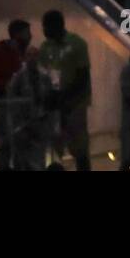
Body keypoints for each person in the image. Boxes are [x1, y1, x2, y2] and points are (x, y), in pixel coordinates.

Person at [38, 10, 92, 171]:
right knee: (55, 145)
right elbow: (44, 74)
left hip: (75, 103)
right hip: (54, 104)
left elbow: (83, 76)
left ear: (57, 25)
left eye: (46, 27)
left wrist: (67, 97)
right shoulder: (45, 47)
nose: (44, 31)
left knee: (79, 146)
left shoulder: (77, 43)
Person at [0, 19, 32, 171]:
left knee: (16, 143)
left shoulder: (21, 54)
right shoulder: (5, 54)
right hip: (10, 106)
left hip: (21, 107)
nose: (30, 36)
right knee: (7, 143)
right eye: (27, 33)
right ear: (18, 34)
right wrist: (8, 88)